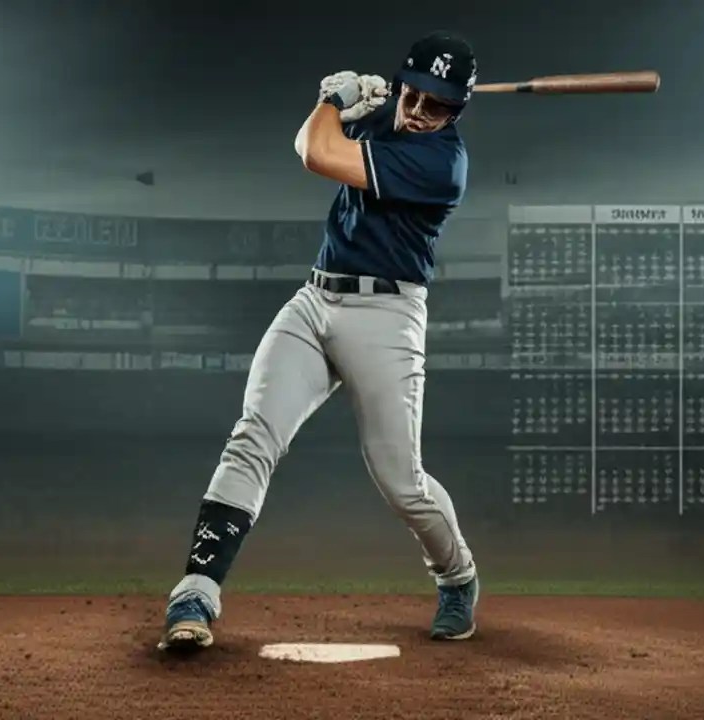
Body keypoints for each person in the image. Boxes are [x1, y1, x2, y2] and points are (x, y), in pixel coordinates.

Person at [158, 30, 481, 652]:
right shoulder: (394, 112)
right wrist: (365, 101)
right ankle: (196, 590)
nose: (416, 113)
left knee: (400, 480)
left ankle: (457, 576)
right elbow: (342, 127)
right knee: (254, 433)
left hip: (387, 316)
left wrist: (336, 99)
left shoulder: (444, 165)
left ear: (456, 111)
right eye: (413, 95)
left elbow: (314, 149)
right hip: (315, 300)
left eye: (435, 106)